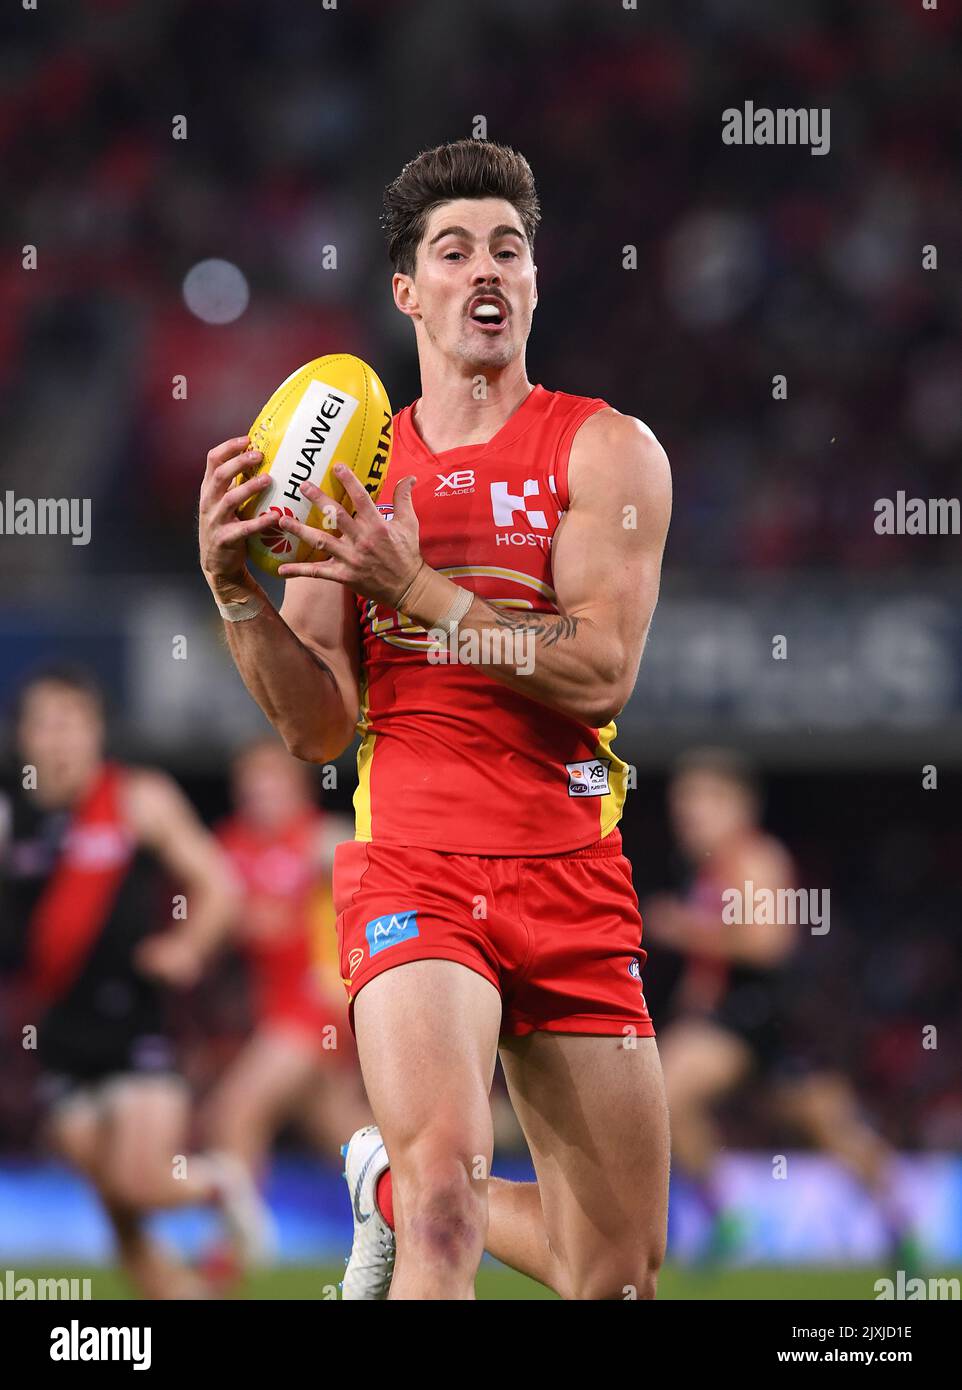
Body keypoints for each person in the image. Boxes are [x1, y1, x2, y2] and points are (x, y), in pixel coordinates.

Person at [198, 139, 673, 1300]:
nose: (484, 271)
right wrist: (235, 600)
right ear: (408, 291)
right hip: (414, 865)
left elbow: (599, 672)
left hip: (571, 872)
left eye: (506, 247)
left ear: (534, 278)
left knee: (611, 1273)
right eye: (453, 251)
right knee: (448, 1203)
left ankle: (374, 1187)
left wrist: (415, 590)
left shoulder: (604, 447)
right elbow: (316, 731)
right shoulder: (352, 476)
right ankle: (407, 1193)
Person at [0, 668, 271, 1299]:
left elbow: (221, 886)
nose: (56, 740)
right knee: (120, 1213)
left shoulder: (136, 798)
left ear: (95, 731)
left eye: (69, 723)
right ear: (24, 737)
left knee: (140, 1182)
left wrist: (188, 946)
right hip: (58, 1041)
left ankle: (221, 1184)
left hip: (139, 1031)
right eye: (42, 724)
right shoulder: (14, 816)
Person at [643, 746, 918, 1265]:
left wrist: (684, 928)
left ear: (737, 806)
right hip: (736, 1017)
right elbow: (719, 959)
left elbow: (768, 944)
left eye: (698, 804)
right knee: (663, 1091)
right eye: (682, 807)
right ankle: (726, 1217)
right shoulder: (708, 867)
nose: (687, 818)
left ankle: (903, 1226)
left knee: (830, 1130)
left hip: (774, 1014)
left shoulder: (756, 857)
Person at [205, 738, 369, 1178]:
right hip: (272, 1010)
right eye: (250, 784)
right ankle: (416, 1211)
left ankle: (236, 1245)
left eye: (271, 781)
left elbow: (375, 896)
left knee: (235, 1111)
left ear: (298, 786)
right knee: (342, 1133)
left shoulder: (321, 840)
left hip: (313, 1008)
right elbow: (219, 917)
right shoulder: (231, 847)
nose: (260, 794)